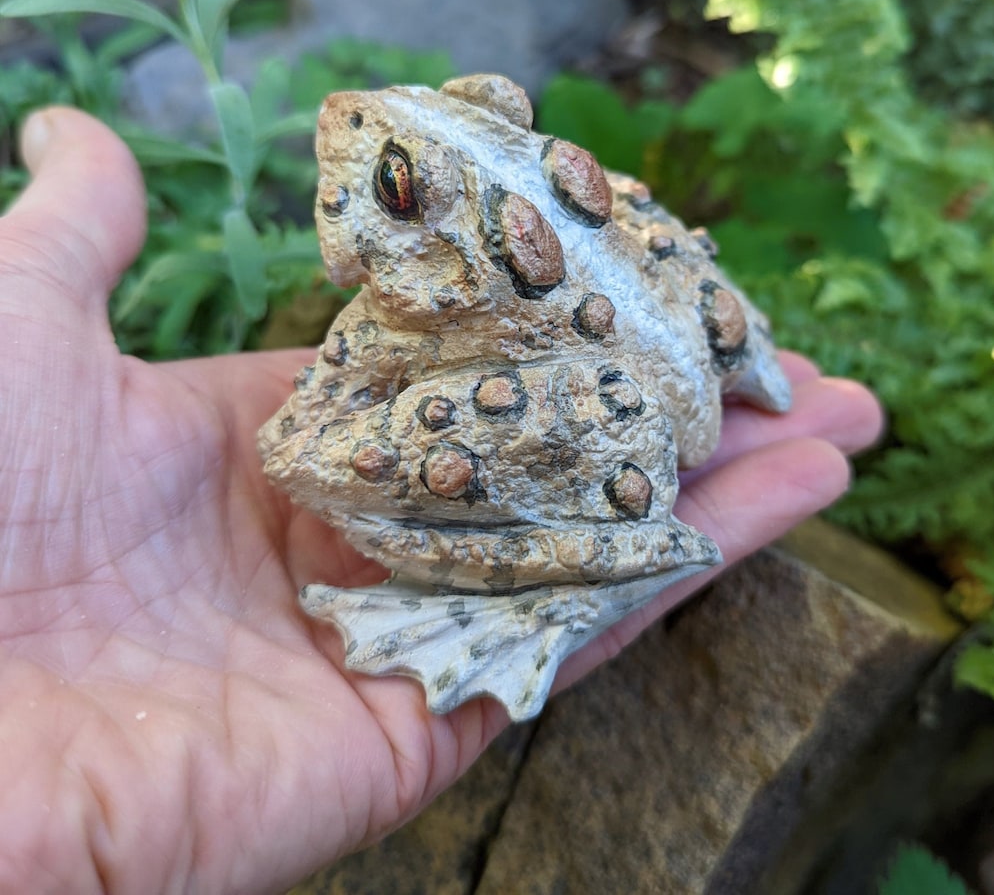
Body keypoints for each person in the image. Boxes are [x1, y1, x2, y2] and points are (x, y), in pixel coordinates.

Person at [0, 107, 883, 891]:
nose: (342, 122)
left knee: (303, 458)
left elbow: (304, 441)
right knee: (298, 452)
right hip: (656, 349)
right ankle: (685, 430)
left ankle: (571, 568)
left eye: (395, 182)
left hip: (590, 386)